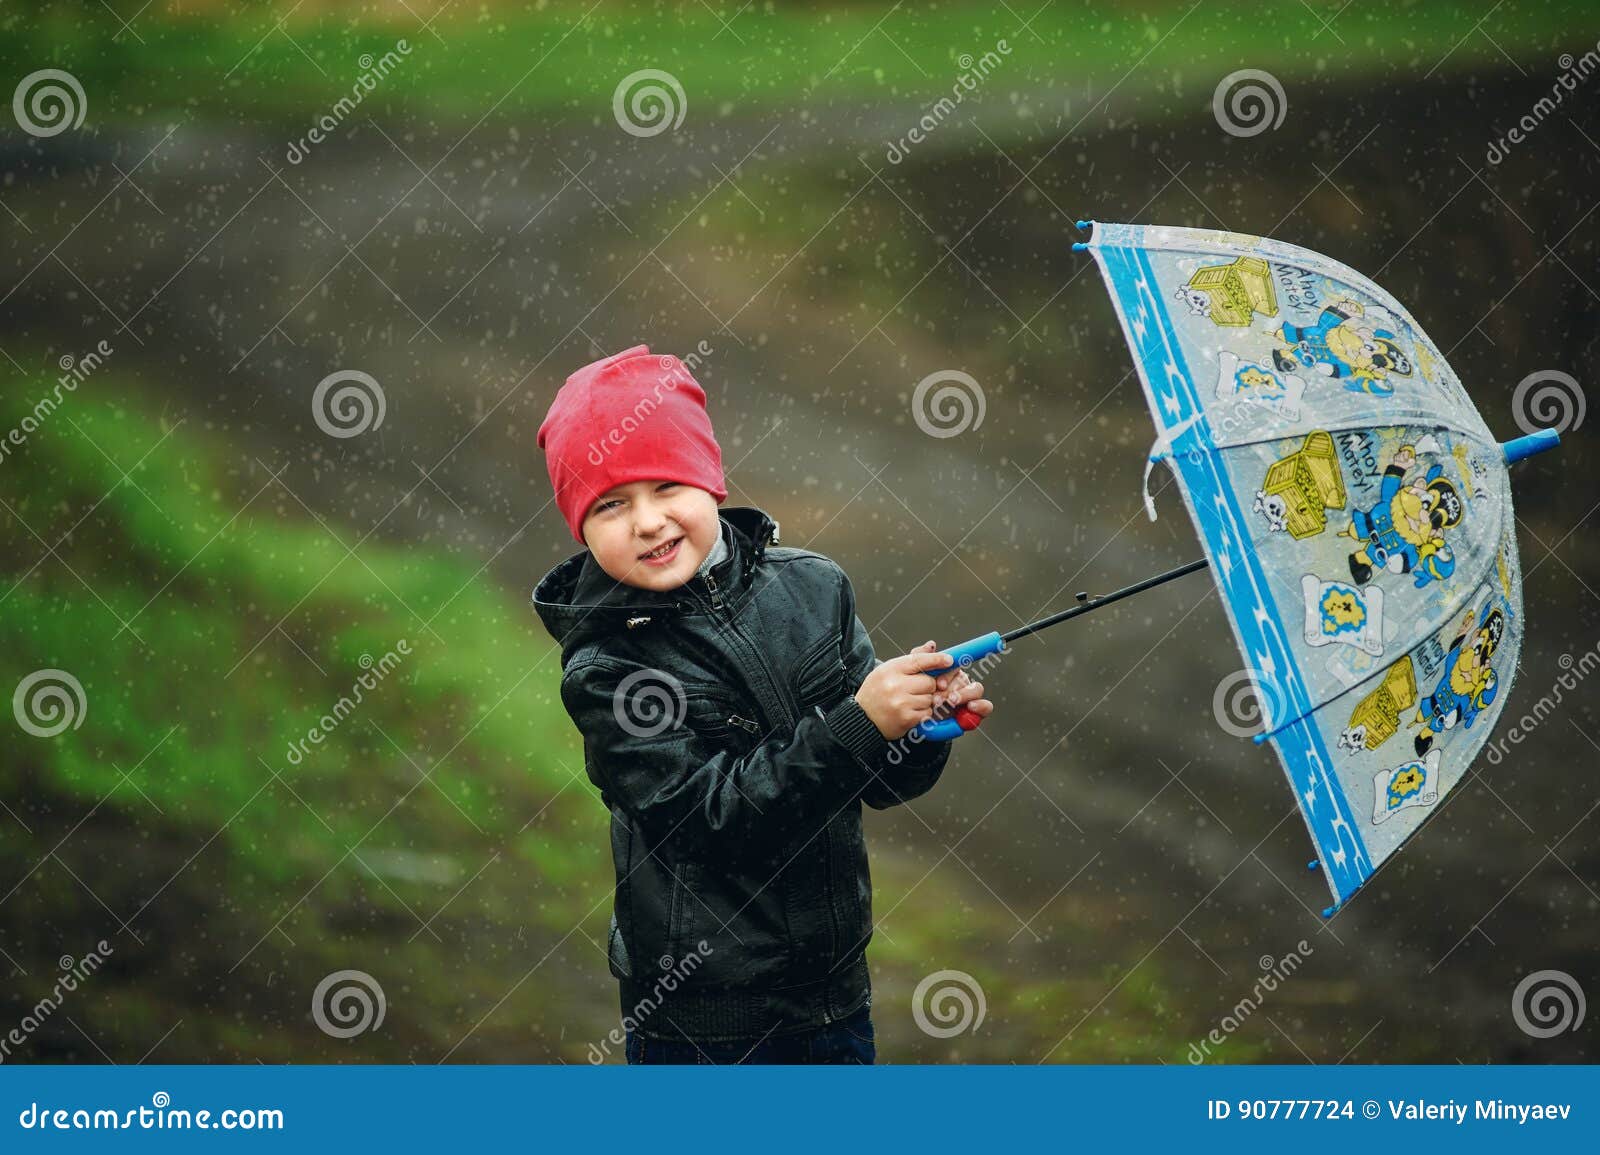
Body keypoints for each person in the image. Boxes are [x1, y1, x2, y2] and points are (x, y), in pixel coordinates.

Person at [532, 344, 994, 1064]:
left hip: (837, 990)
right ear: (581, 530)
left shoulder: (814, 588)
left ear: (710, 481)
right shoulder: (606, 667)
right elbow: (710, 822)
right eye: (612, 505)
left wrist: (918, 727)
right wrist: (859, 723)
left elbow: (878, 780)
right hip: (707, 1015)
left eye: (666, 487)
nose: (648, 522)